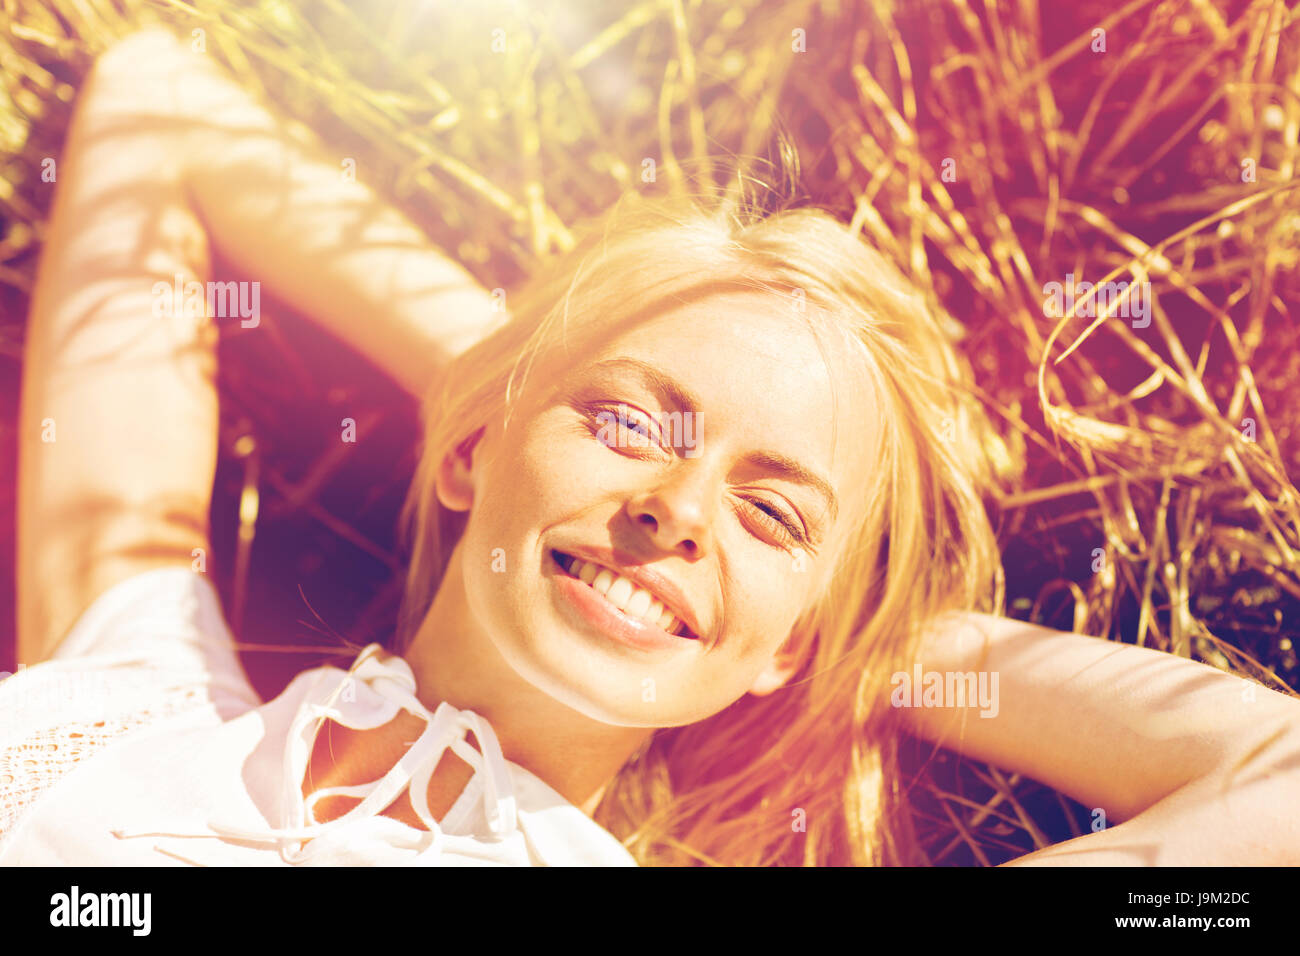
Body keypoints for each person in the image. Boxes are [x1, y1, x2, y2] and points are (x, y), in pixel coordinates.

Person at [3, 27, 1299, 867]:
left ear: (792, 645)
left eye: (772, 513)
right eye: (628, 422)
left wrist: (843, 633)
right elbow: (156, 112)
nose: (679, 504)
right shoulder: (128, 689)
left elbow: (1274, 776)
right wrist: (514, 385)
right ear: (466, 454)